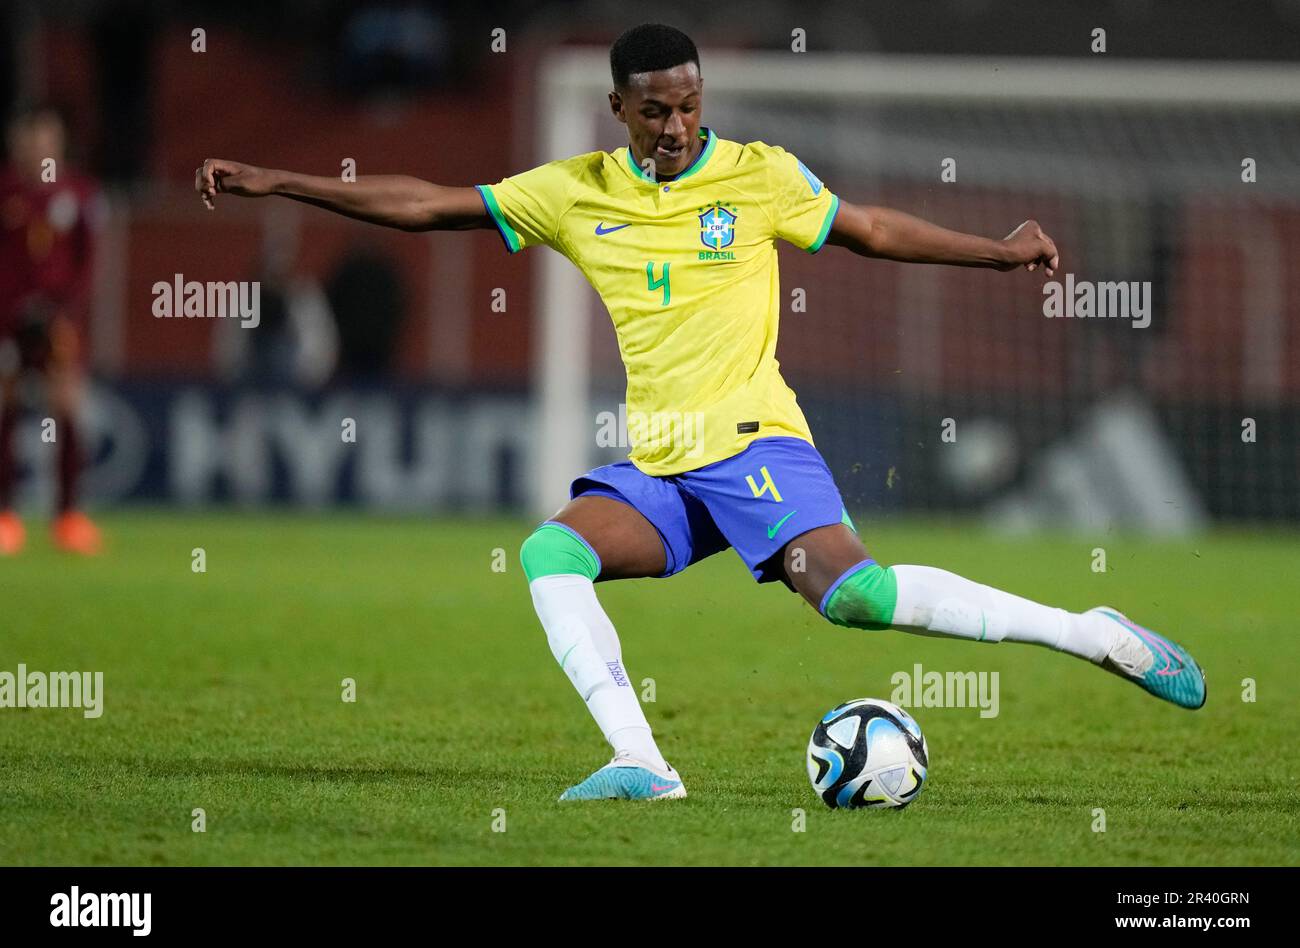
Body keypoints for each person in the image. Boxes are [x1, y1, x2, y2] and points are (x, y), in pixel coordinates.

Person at [194, 23, 1205, 802]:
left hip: (753, 438)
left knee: (853, 599)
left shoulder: (756, 173)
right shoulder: (572, 191)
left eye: (685, 106)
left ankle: (1090, 631)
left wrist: (995, 248)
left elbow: (866, 228)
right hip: (664, 466)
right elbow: (426, 203)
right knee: (550, 555)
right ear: (615, 111)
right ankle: (642, 760)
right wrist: (281, 182)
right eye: (652, 113)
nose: (674, 128)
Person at [0, 105, 102, 555]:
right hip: (5, 319)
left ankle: (68, 516)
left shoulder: (80, 193)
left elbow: (87, 262)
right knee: (6, 404)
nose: (38, 147)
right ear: (16, 143)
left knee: (68, 404)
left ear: (58, 143)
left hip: (58, 318)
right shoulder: (5, 189)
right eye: (31, 138)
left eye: (46, 138)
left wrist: (66, 309)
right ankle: (5, 515)